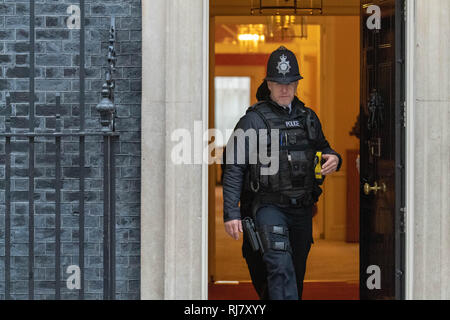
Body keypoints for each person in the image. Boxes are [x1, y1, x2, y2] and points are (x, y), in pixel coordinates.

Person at [222, 46, 342, 300]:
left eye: (290, 83)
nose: (285, 89)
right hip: (268, 207)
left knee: (295, 274)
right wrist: (231, 213)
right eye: (278, 83)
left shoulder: (308, 117)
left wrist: (335, 158)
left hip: (302, 209)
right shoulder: (252, 121)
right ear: (268, 84)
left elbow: (323, 148)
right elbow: (234, 166)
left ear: (297, 84)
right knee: (280, 269)